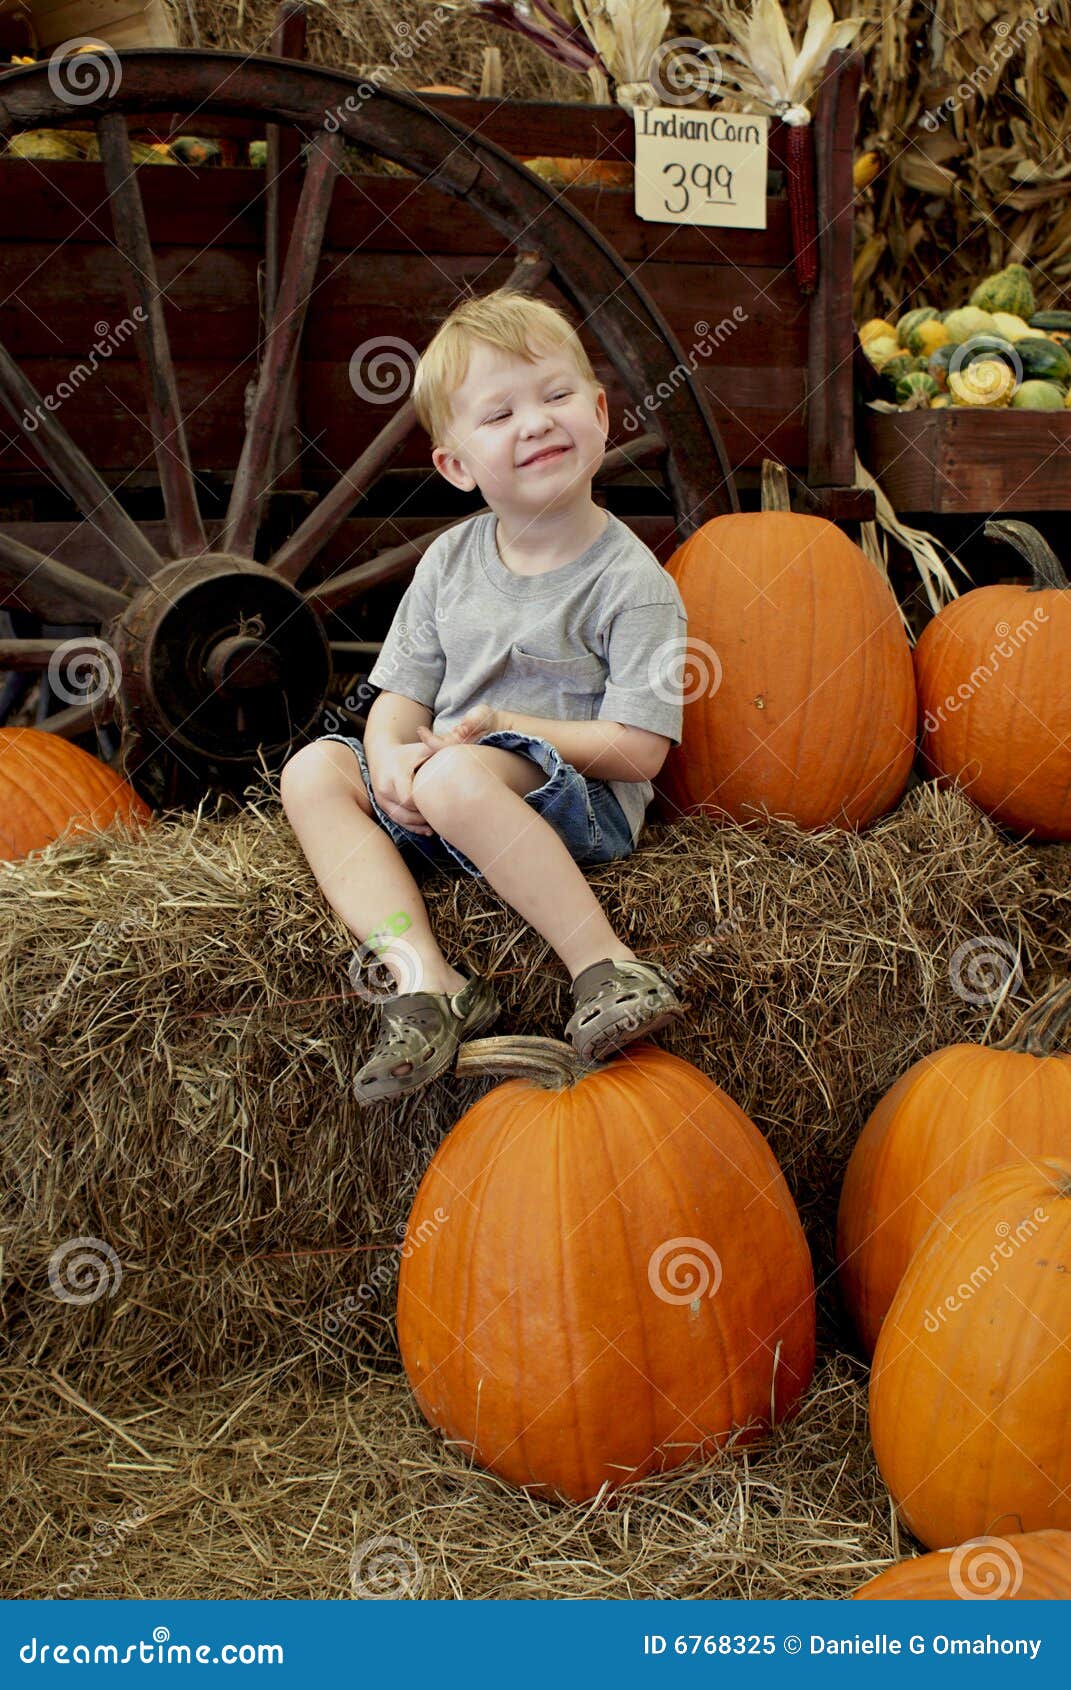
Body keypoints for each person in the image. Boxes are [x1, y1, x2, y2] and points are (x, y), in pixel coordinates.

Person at [280, 289, 688, 1105]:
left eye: (556, 395)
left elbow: (639, 749)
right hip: (445, 790)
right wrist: (392, 754)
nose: (535, 422)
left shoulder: (631, 581)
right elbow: (398, 696)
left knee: (452, 776)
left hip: (576, 801)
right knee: (313, 772)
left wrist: (498, 728)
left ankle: (604, 965)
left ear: (602, 415)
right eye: (498, 414)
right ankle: (424, 983)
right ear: (456, 465)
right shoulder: (447, 562)